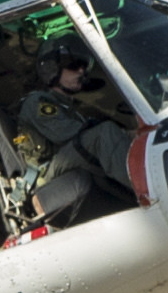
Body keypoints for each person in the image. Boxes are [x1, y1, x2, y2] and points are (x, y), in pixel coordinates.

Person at [11, 51, 137, 230]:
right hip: (46, 174)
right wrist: (117, 133)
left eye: (83, 67)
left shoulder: (68, 107)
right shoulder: (38, 102)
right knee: (104, 133)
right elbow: (65, 133)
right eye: (73, 65)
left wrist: (129, 136)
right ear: (53, 70)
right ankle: (146, 188)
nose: (81, 71)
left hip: (63, 162)